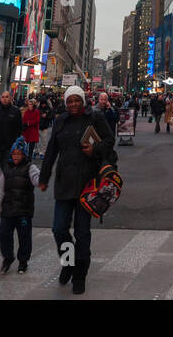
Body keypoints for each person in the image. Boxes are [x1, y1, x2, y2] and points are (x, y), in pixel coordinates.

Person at [39, 85, 117, 295]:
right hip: (64, 182)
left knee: (82, 232)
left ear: (83, 100)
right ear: (65, 102)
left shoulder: (96, 118)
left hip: (88, 183)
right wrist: (44, 177)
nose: (73, 104)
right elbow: (51, 151)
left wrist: (95, 149)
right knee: (59, 229)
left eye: (76, 100)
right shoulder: (60, 121)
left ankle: (80, 273)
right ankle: (68, 263)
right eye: (69, 101)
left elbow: (110, 141)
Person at [0, 137, 41, 274]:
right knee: (3, 233)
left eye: (19, 154)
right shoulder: (6, 170)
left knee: (24, 236)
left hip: (24, 210)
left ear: (24, 154)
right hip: (8, 210)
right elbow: (0, 191)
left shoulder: (30, 168)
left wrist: (43, 179)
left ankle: (23, 261)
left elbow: (37, 180)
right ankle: (8, 257)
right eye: (14, 154)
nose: (16, 157)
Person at [0, 90, 24, 185]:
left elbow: (20, 128)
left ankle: (6, 194)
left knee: (8, 172)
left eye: (6, 97)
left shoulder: (16, 112)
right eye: (3, 97)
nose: (4, 99)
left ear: (11, 98)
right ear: (0, 98)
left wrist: (16, 144)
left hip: (9, 147)